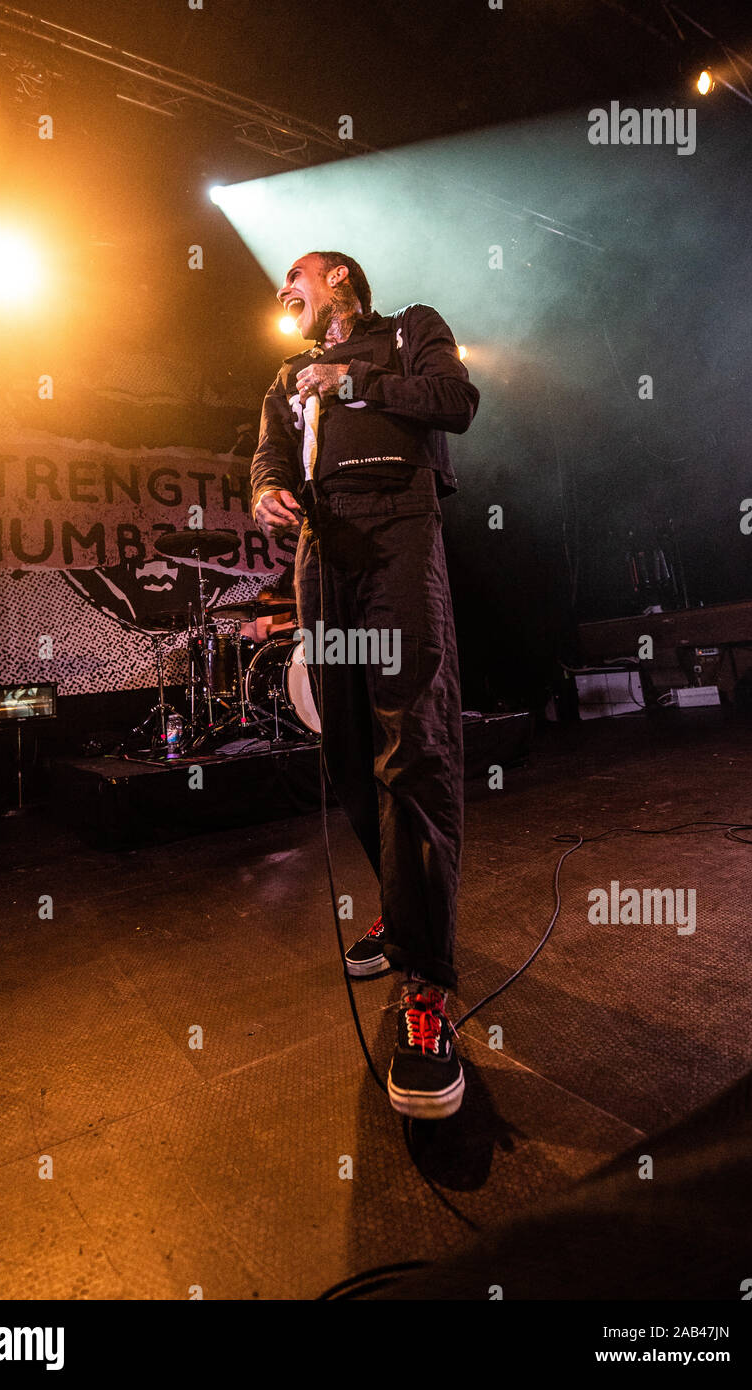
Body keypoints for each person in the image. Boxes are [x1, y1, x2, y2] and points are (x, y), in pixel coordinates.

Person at [251, 251, 479, 1118]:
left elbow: (455, 405)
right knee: (345, 740)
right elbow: (271, 456)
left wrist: (350, 385)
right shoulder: (284, 376)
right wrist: (270, 490)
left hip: (395, 527)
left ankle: (427, 990)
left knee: (409, 741)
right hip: (323, 547)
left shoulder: (408, 329)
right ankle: (399, 901)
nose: (284, 295)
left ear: (339, 277)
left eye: (295, 279)